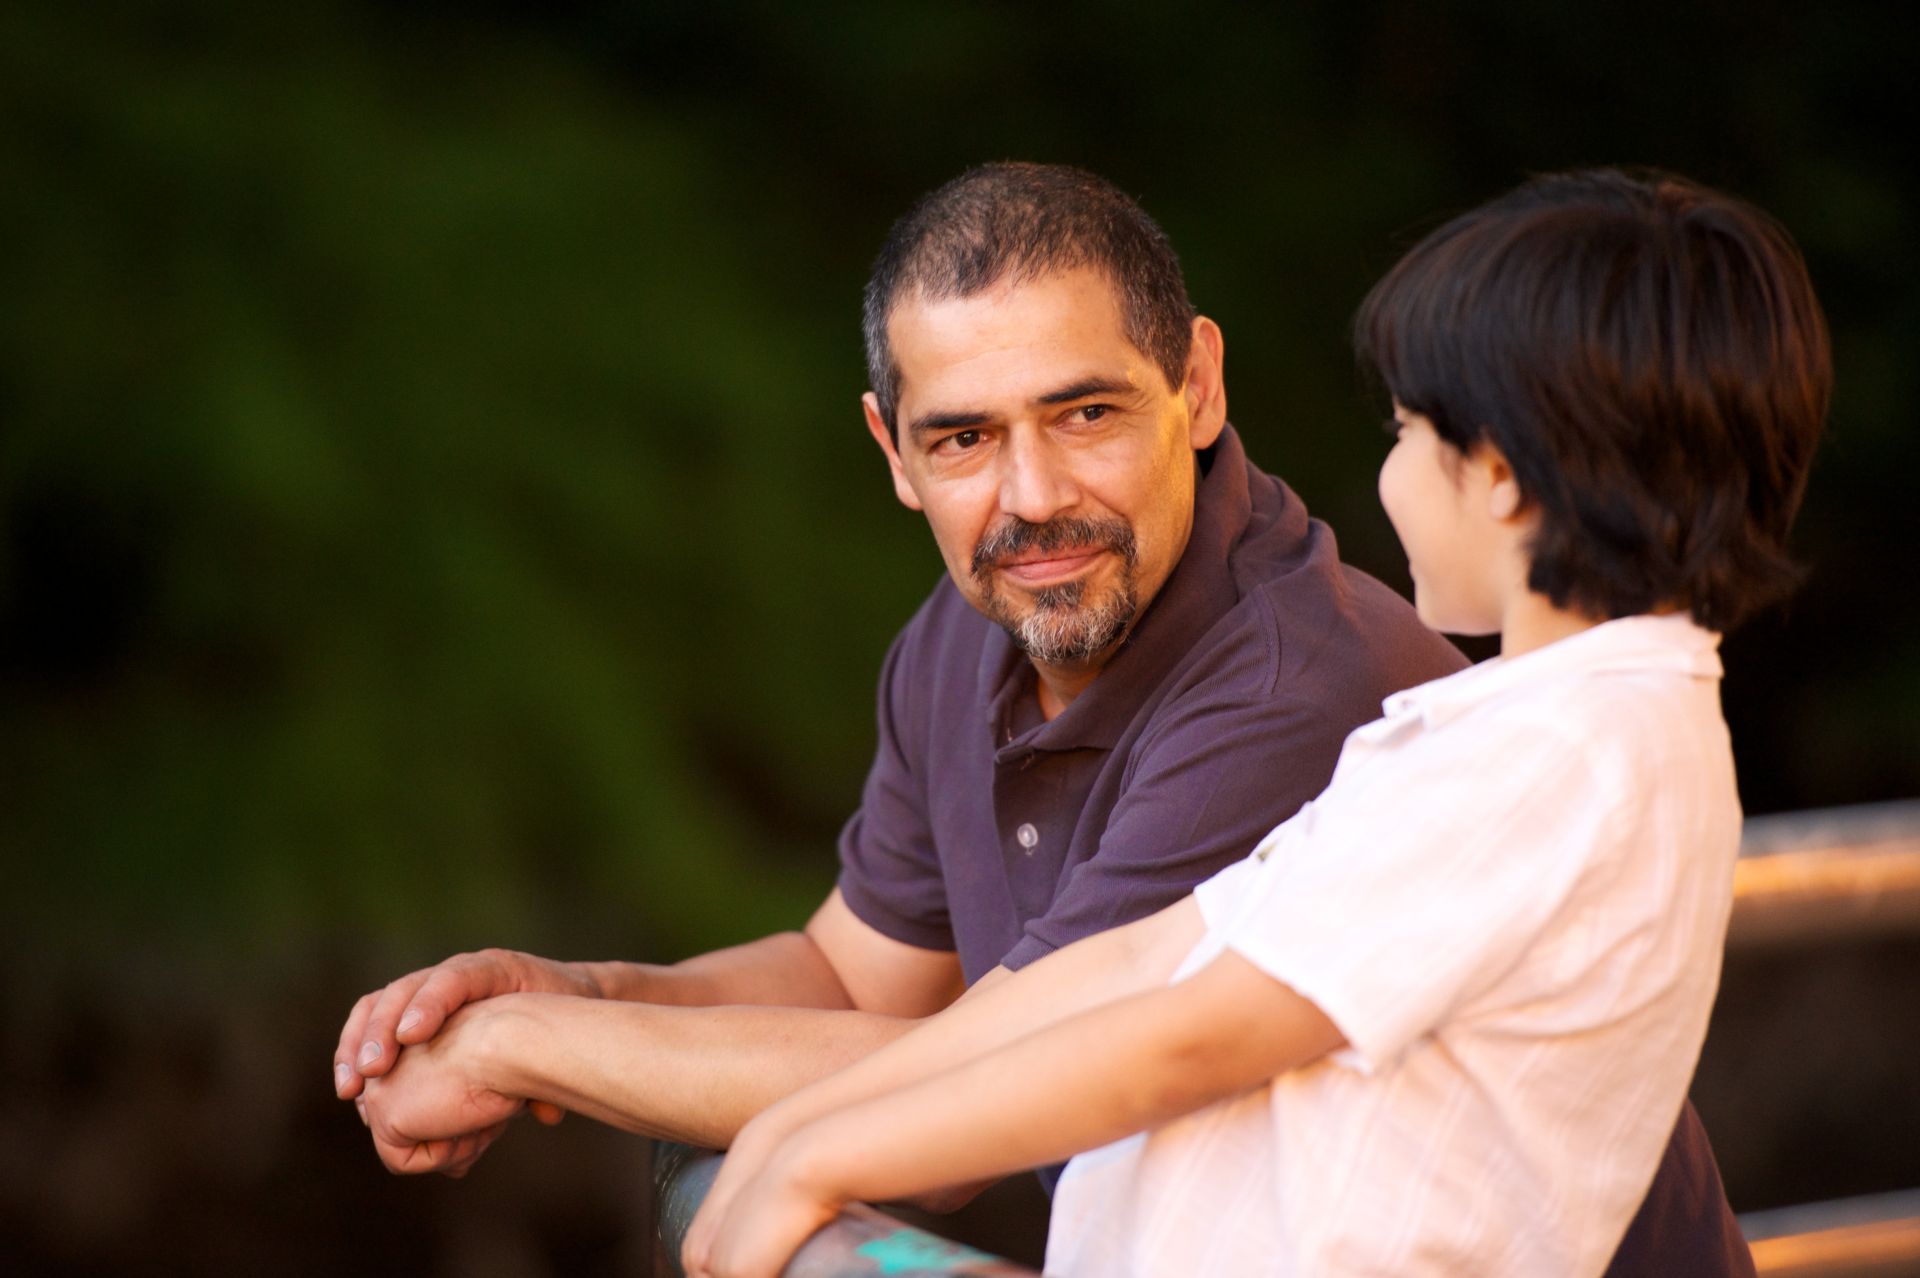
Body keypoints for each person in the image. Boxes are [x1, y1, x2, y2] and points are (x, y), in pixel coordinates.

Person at [335, 164, 1750, 1271]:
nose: (1030, 497)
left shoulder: (1305, 684)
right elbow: (863, 983)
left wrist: (530, 1056)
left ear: (1195, 385)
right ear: (893, 452)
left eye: (1084, 414)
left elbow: (1083, 1056)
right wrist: (580, 994)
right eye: (964, 437)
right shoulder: (968, 633)